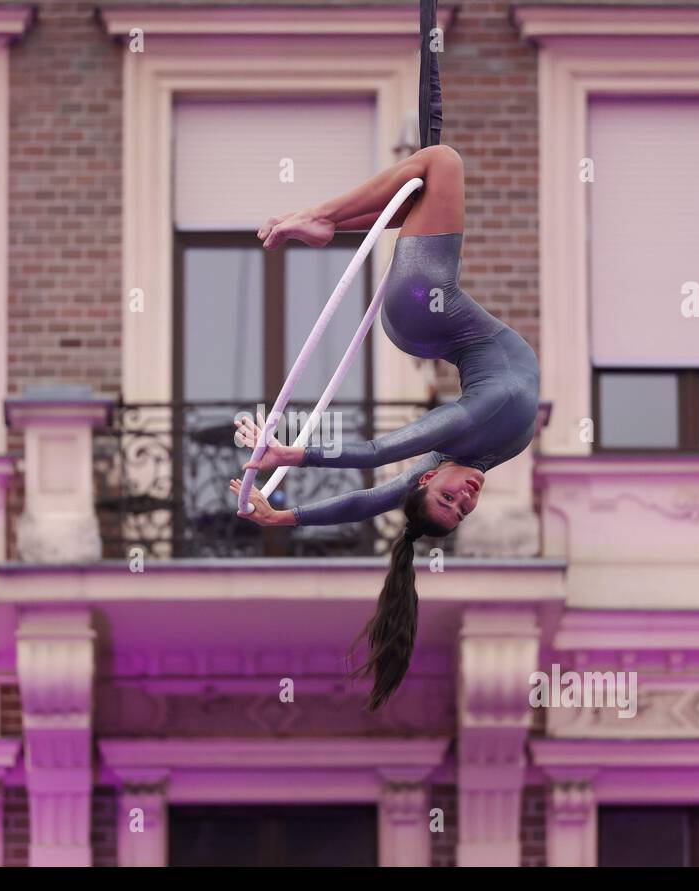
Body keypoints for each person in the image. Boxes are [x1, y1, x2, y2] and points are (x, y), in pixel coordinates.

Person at [228, 12, 539, 712]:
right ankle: (324, 222)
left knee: (440, 165)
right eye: (460, 511)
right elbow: (384, 495)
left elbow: (381, 456)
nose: (463, 500)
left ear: (431, 475)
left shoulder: (475, 423)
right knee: (424, 187)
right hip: (431, 320)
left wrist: (294, 467)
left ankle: (319, 218)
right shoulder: (486, 452)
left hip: (425, 306)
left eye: (444, 498)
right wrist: (289, 516)